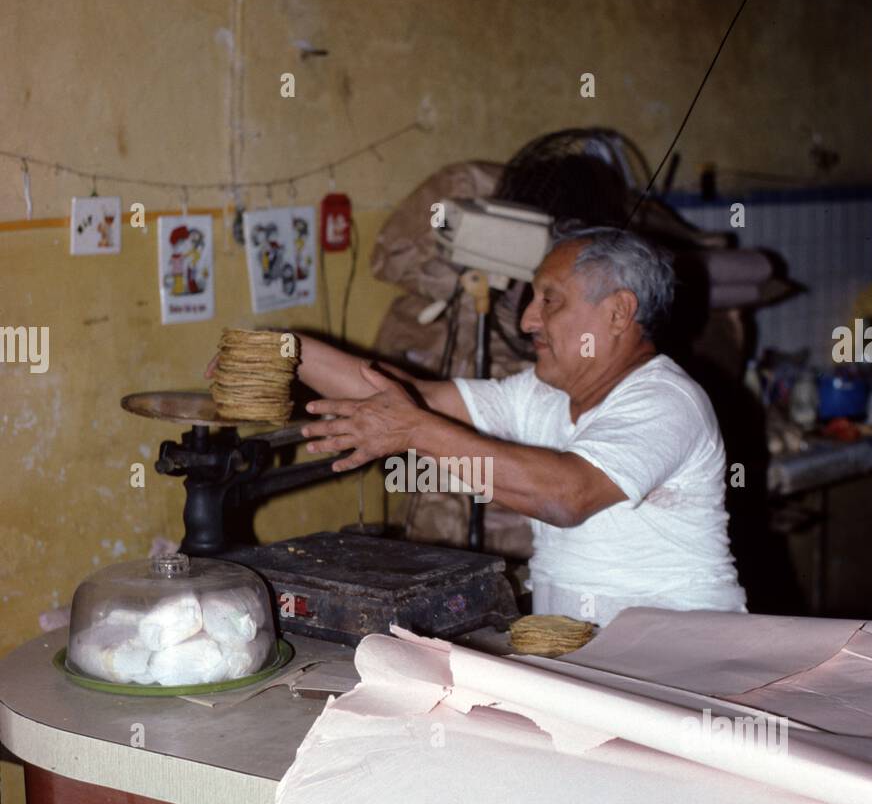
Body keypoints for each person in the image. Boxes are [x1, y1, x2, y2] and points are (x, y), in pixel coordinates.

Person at [210, 225, 747, 625]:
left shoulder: (665, 399)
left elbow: (567, 495)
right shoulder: (540, 395)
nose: (528, 319)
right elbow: (414, 399)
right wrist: (289, 351)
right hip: (584, 652)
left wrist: (415, 431)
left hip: (681, 663)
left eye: (550, 300)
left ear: (618, 313)